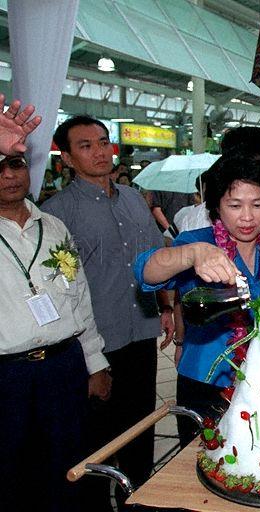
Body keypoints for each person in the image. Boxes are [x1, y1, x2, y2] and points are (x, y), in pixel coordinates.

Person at [42, 115, 174, 512]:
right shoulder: (56, 214)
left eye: (103, 141)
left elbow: (157, 257)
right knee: (97, 438)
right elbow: (59, 289)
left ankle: (140, 500)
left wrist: (167, 305)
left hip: (140, 332)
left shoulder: (135, 199)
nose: (99, 151)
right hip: (94, 343)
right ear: (65, 157)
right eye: (85, 145)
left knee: (141, 428)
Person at [0, 96, 111, 512]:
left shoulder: (52, 225)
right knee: (12, 473)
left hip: (63, 367)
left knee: (68, 469)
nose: (10, 175)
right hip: (7, 375)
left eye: (17, 164)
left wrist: (94, 362)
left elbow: (79, 297)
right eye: (0, 165)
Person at [134, 155, 260, 446]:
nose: (247, 217)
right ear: (216, 207)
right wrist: (193, 254)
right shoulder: (197, 242)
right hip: (206, 382)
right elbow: (146, 272)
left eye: (258, 205)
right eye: (234, 205)